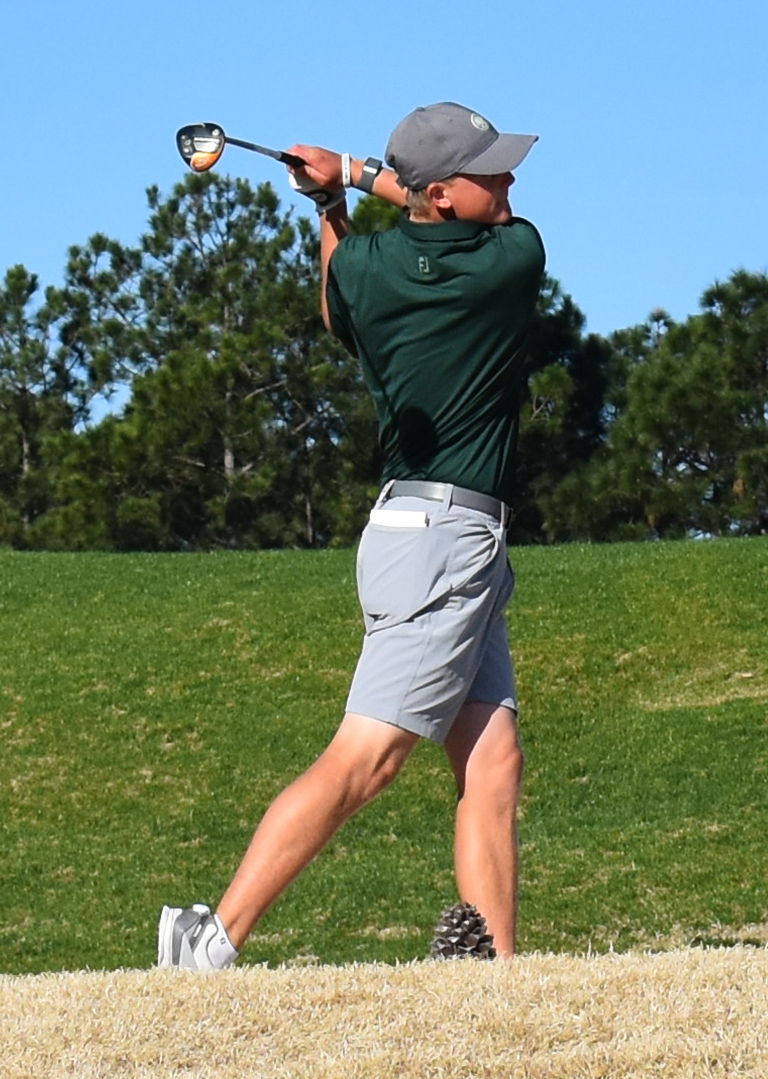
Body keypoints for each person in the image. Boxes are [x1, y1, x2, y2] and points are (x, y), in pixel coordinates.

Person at [157, 102, 544, 970]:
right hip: (443, 542)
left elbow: (338, 310)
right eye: (492, 174)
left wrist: (327, 206)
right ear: (441, 195)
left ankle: (493, 975)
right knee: (368, 758)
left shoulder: (367, 264)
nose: (511, 182)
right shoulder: (515, 259)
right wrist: (351, 175)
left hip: (431, 533)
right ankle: (209, 939)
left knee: (494, 755)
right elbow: (388, 218)